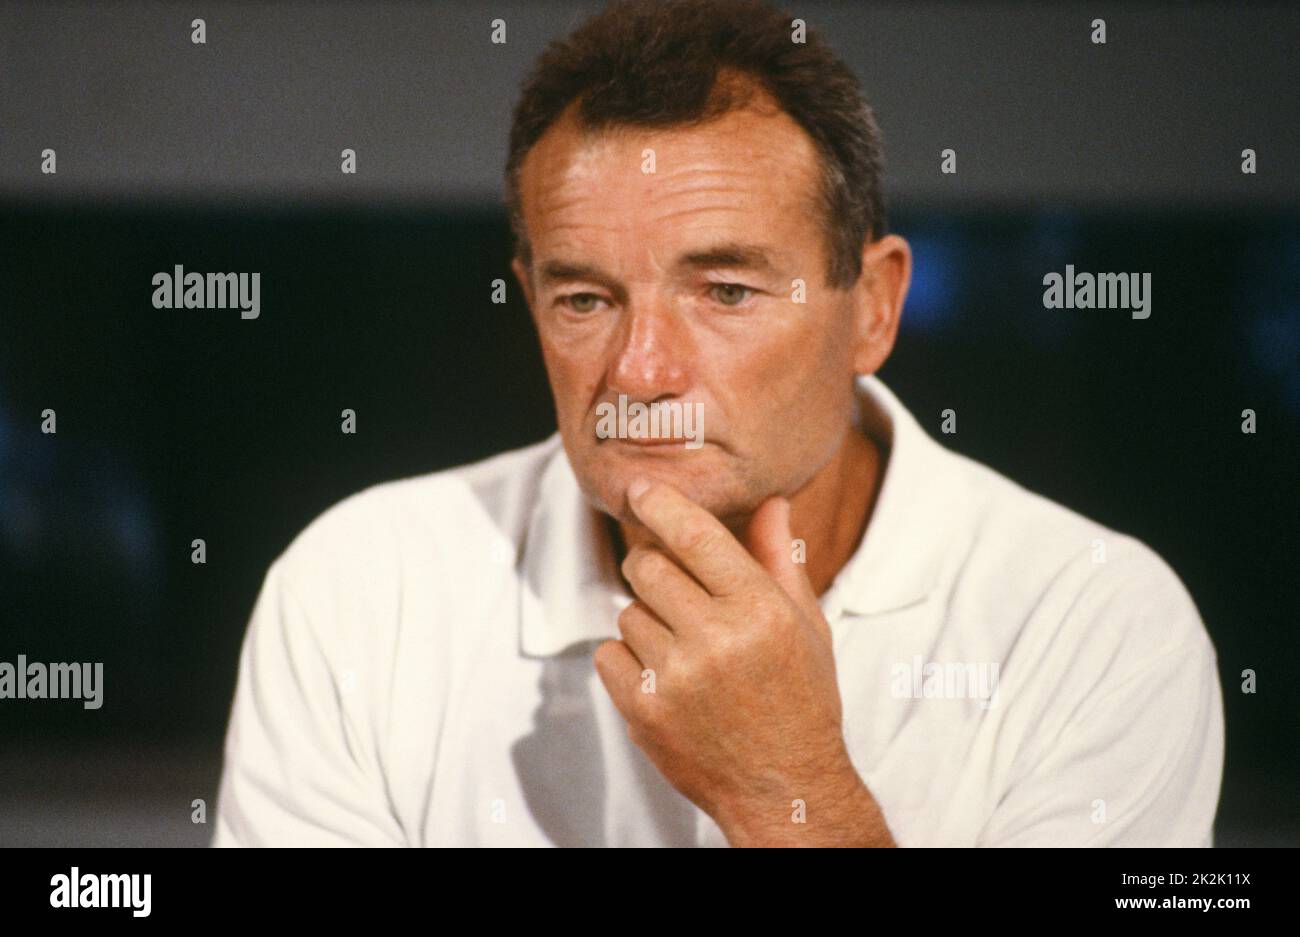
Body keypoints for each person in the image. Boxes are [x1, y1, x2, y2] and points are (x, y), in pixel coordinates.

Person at [213, 0, 1223, 847]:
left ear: (872, 306)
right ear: (529, 302)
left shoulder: (1096, 627)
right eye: (584, 300)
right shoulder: (359, 591)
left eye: (726, 290)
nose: (640, 371)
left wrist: (787, 787)